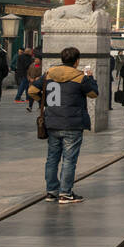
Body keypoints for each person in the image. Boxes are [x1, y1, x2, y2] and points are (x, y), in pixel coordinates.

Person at [28, 45, 98, 204]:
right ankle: (65, 193)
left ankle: (51, 191)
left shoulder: (48, 74)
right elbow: (93, 94)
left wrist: (45, 102)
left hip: (52, 122)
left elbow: (32, 91)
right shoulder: (80, 77)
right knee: (69, 159)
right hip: (72, 123)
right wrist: (91, 78)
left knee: (52, 158)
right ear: (77, 61)